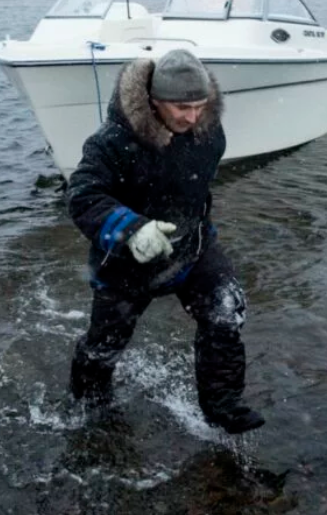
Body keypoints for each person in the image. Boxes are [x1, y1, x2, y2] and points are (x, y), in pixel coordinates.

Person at [65, 49, 265, 434]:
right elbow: (82, 195)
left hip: (193, 246)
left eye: (200, 105)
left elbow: (198, 187)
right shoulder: (112, 142)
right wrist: (131, 228)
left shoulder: (208, 130)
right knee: (103, 349)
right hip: (127, 264)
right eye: (181, 107)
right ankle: (87, 412)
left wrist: (194, 224)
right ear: (154, 103)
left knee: (226, 313)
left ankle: (222, 404)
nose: (192, 117)